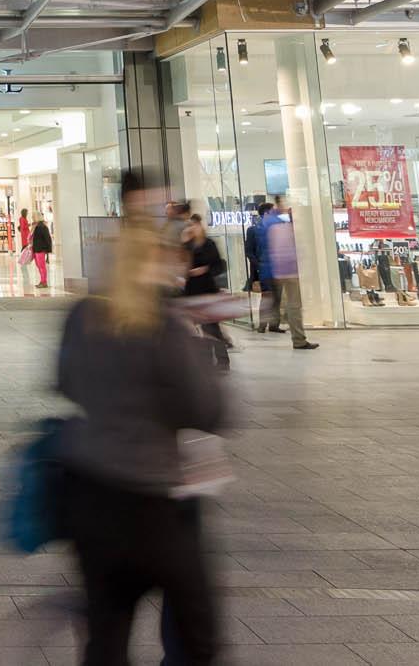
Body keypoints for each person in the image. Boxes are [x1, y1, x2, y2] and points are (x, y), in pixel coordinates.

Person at [58, 215, 227, 665]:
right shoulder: (163, 326)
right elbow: (207, 410)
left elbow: (65, 382)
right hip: (154, 503)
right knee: (197, 637)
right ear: (150, 263)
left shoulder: (81, 316)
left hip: (91, 496)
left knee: (106, 634)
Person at [258, 200, 315, 349]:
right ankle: (298, 339)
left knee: (285, 303)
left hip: (279, 271)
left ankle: (289, 332)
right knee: (293, 305)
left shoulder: (272, 225)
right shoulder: (277, 225)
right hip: (285, 271)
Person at [179, 208, 231, 371]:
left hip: (207, 289)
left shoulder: (209, 244)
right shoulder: (188, 246)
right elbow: (181, 264)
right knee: (200, 328)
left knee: (212, 327)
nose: (193, 229)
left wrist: (205, 269)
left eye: (195, 226)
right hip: (192, 291)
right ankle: (206, 360)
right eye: (190, 226)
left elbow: (219, 265)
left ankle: (222, 360)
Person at [242, 204, 271, 329]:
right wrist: (258, 266)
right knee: (266, 296)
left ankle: (274, 324)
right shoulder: (253, 230)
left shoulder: (273, 229)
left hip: (275, 267)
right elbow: (249, 251)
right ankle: (262, 325)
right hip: (262, 268)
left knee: (276, 296)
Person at [29, 216, 53, 289]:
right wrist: (32, 229)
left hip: (40, 249)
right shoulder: (35, 226)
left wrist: (48, 250)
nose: (33, 219)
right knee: (39, 266)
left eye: (33, 217)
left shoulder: (42, 227)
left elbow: (47, 239)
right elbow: (29, 238)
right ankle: (42, 281)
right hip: (35, 249)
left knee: (42, 266)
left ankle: (44, 282)